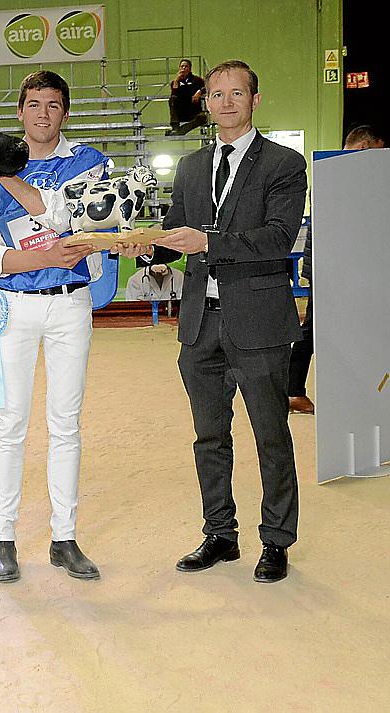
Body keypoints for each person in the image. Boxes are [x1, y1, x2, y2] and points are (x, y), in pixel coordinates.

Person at [144, 60, 307, 583]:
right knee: (209, 438)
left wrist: (209, 243)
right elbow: (175, 232)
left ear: (255, 100)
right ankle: (220, 534)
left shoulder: (284, 163)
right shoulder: (191, 167)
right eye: (217, 94)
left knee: (270, 436)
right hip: (199, 325)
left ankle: (276, 540)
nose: (227, 102)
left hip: (259, 324)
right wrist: (144, 247)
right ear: (206, 103)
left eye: (238, 93)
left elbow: (279, 237)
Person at [0, 70, 110, 583]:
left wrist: (5, 176)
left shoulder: (89, 163)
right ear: (20, 112)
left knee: (65, 423)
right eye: (33, 104)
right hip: (14, 308)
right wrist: (30, 261)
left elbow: (73, 219)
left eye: (53, 104)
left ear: (65, 112)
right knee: (10, 423)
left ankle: (64, 538)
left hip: (71, 305)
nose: (43, 113)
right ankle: (3, 538)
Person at [287, 124, 384, 415]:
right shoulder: (342, 174)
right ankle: (295, 391)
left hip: (329, 265)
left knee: (314, 328)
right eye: (378, 152)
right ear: (365, 147)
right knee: (318, 329)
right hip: (335, 267)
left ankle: (294, 390)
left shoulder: (331, 172)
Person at [168, 59, 207, 136]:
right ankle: (175, 127)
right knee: (172, 99)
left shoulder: (197, 80)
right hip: (181, 112)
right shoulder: (175, 82)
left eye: (186, 66)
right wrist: (176, 81)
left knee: (203, 118)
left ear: (190, 69)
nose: (183, 68)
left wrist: (199, 92)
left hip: (194, 111)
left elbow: (207, 87)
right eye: (182, 66)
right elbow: (174, 94)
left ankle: (180, 131)